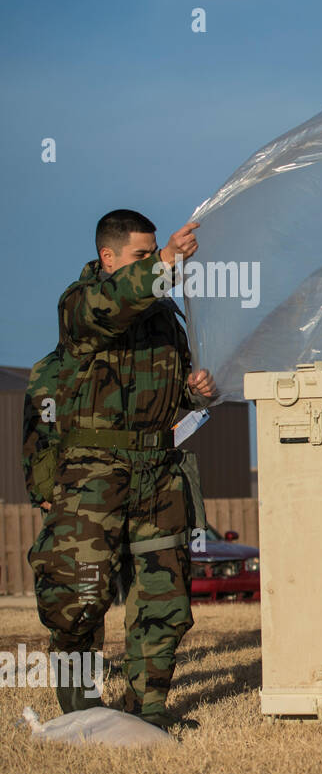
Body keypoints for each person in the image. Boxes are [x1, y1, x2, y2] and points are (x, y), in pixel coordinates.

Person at [27, 209, 215, 729]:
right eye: (142, 254)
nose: (155, 263)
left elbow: (168, 393)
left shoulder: (164, 316)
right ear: (109, 258)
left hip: (158, 472)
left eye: (156, 252)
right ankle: (81, 712)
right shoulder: (82, 303)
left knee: (163, 601)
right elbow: (112, 307)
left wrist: (195, 392)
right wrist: (166, 262)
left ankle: (146, 714)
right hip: (93, 475)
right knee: (77, 599)